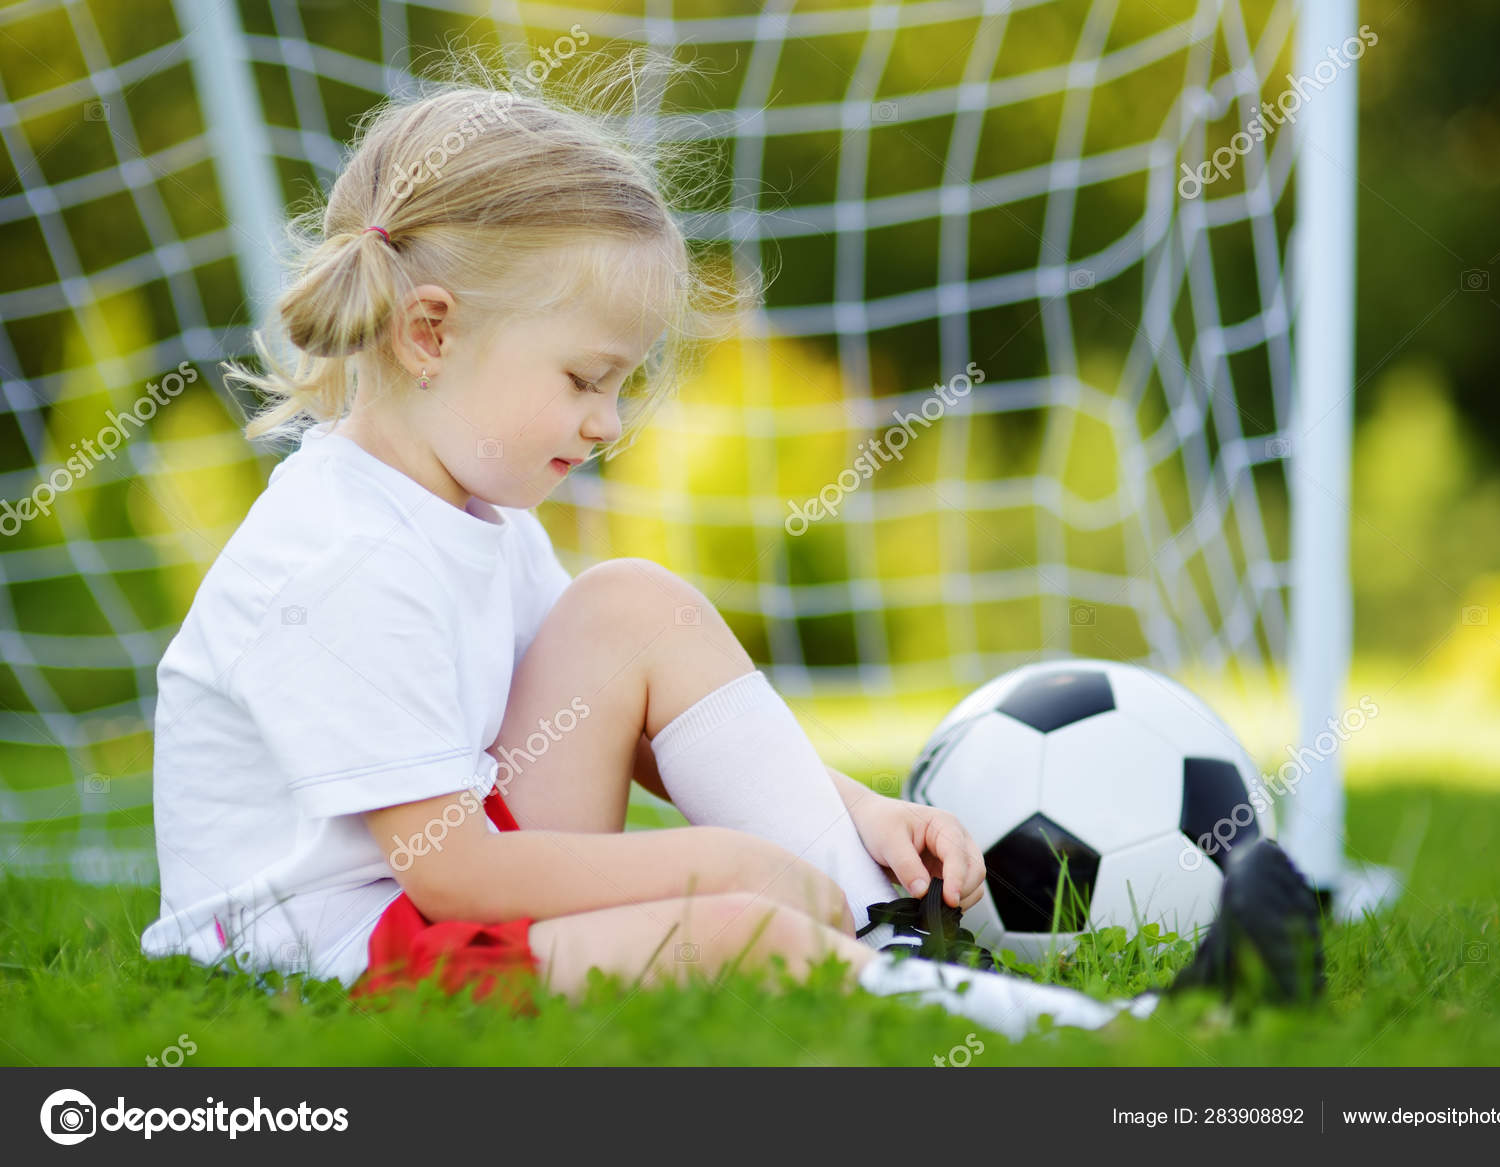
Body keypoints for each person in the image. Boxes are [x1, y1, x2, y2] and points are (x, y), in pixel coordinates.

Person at [140, 53, 1322, 1043]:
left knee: (630, 606)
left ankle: (880, 924)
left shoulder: (476, 514)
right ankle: (1147, 1030)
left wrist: (844, 809)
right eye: (582, 379)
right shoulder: (339, 559)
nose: (608, 422)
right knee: (731, 928)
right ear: (430, 332)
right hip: (345, 952)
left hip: (445, 891)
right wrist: (716, 867)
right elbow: (445, 874)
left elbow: (623, 720)